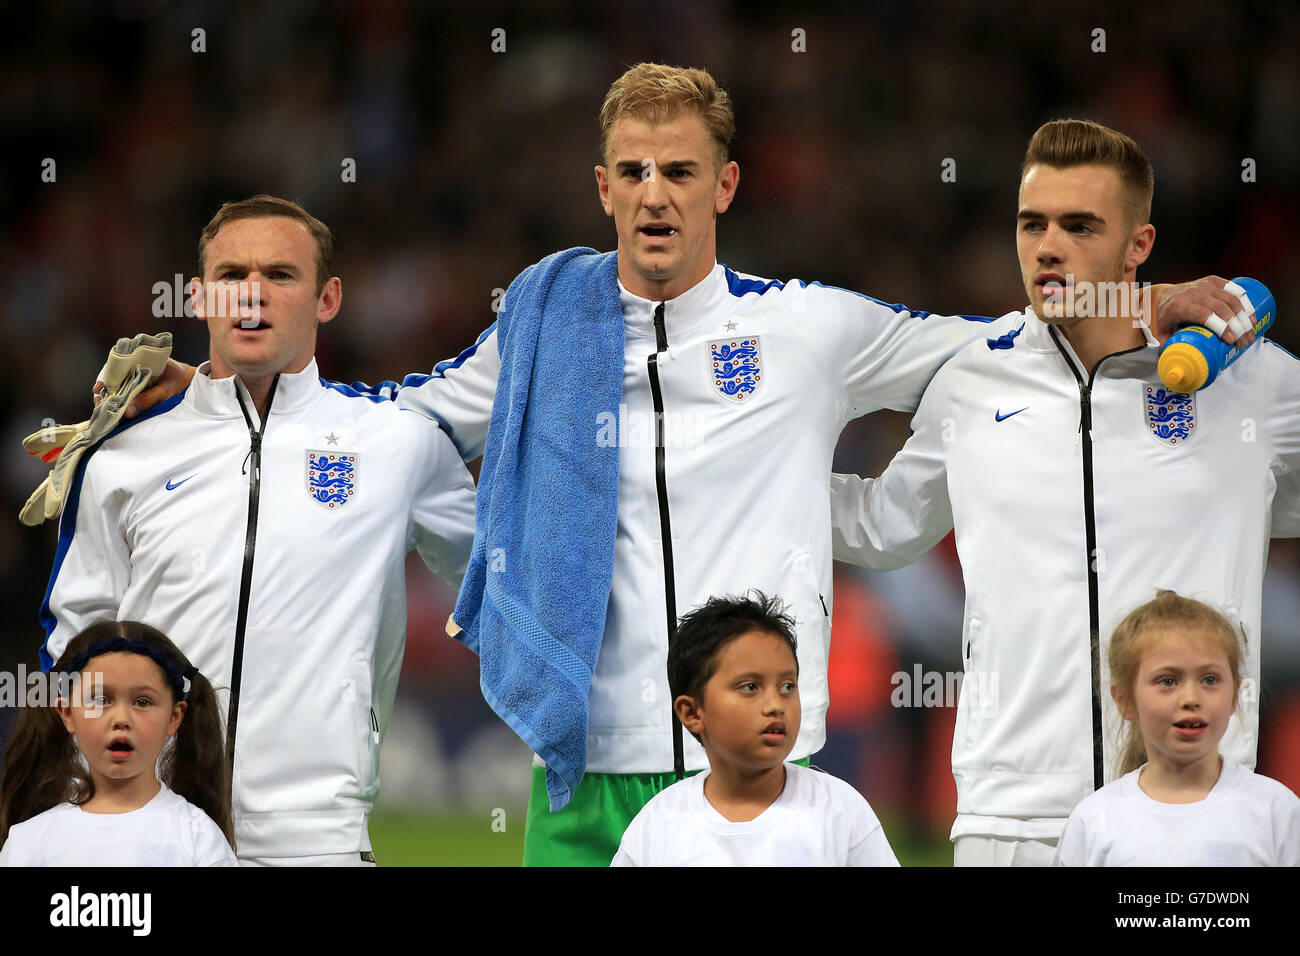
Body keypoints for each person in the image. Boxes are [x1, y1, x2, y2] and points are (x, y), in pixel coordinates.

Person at [91, 67, 1248, 867]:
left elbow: (996, 347)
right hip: (580, 757)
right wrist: (200, 406)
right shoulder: (537, 326)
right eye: (632, 170)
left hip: (750, 764)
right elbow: (395, 418)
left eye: (680, 171)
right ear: (601, 187)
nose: (654, 193)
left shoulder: (808, 331)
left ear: (724, 186)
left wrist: (1134, 301)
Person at [830, 119, 1300, 865]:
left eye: (1080, 226)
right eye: (1032, 224)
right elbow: (885, 526)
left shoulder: (1247, 380)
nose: (1048, 246)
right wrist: (743, 479)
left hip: (1194, 810)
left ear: (1137, 247)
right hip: (1009, 815)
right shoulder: (974, 378)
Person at [36, 196, 478, 865]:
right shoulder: (124, 456)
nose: (252, 295)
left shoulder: (398, 445)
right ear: (198, 296)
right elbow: (74, 639)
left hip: (318, 836)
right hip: (149, 828)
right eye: (231, 275)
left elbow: (499, 573)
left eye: (280, 274)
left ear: (327, 298)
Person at [611, 592, 897, 866]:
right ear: (692, 712)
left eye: (787, 687)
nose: (775, 705)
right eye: (750, 687)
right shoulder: (659, 824)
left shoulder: (839, 811)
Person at [1054, 592, 1300, 866]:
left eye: (1209, 679)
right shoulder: (1094, 820)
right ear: (1124, 699)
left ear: (1234, 695)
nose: (1191, 698)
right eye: (1168, 681)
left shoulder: (1275, 811)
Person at [0, 620, 237, 866]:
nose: (121, 719)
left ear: (174, 717)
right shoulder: (28, 844)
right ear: (68, 713)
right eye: (100, 699)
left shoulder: (200, 840)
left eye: (142, 702)